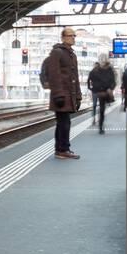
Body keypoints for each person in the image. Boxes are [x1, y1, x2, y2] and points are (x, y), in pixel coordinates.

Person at [41, 27, 82, 159]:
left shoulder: (72, 54)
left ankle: (62, 149)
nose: (73, 38)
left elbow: (75, 77)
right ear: (63, 37)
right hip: (61, 94)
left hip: (69, 94)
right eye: (71, 36)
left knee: (64, 123)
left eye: (74, 36)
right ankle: (62, 149)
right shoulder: (57, 53)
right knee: (63, 123)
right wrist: (58, 94)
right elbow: (54, 74)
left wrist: (78, 96)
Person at [86, 56, 117, 134]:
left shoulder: (102, 70)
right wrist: (109, 88)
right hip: (101, 92)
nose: (103, 63)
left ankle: (100, 126)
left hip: (101, 92)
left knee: (101, 109)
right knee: (101, 109)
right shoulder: (101, 70)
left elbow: (113, 82)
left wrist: (110, 88)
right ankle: (100, 126)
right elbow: (90, 79)